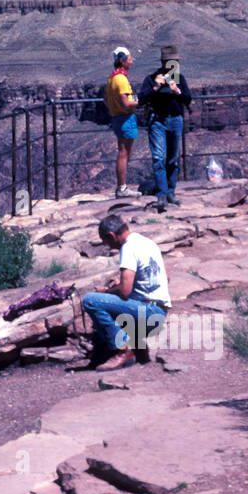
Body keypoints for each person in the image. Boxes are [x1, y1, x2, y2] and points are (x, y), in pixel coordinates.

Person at [80, 213, 171, 370]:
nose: (109, 247)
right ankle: (138, 350)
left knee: (91, 300)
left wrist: (108, 290)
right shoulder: (148, 242)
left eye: (107, 242)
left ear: (112, 235)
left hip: (148, 313)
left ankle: (124, 350)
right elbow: (166, 277)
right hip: (160, 312)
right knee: (112, 307)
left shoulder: (128, 247)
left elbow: (124, 291)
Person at [141, 45, 192, 211]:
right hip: (158, 121)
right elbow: (141, 99)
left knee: (172, 159)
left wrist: (177, 91)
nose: (173, 64)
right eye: (171, 61)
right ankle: (162, 194)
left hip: (175, 120)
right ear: (164, 62)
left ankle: (171, 191)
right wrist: (156, 87)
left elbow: (188, 99)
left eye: (175, 62)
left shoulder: (179, 78)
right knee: (158, 157)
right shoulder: (151, 78)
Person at [106, 46, 140, 199]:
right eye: (130, 58)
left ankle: (122, 187)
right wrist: (140, 102)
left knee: (123, 152)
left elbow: (106, 100)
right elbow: (126, 103)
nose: (132, 62)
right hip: (125, 118)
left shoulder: (112, 78)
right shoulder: (121, 79)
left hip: (116, 118)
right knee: (124, 153)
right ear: (122, 60)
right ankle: (122, 188)